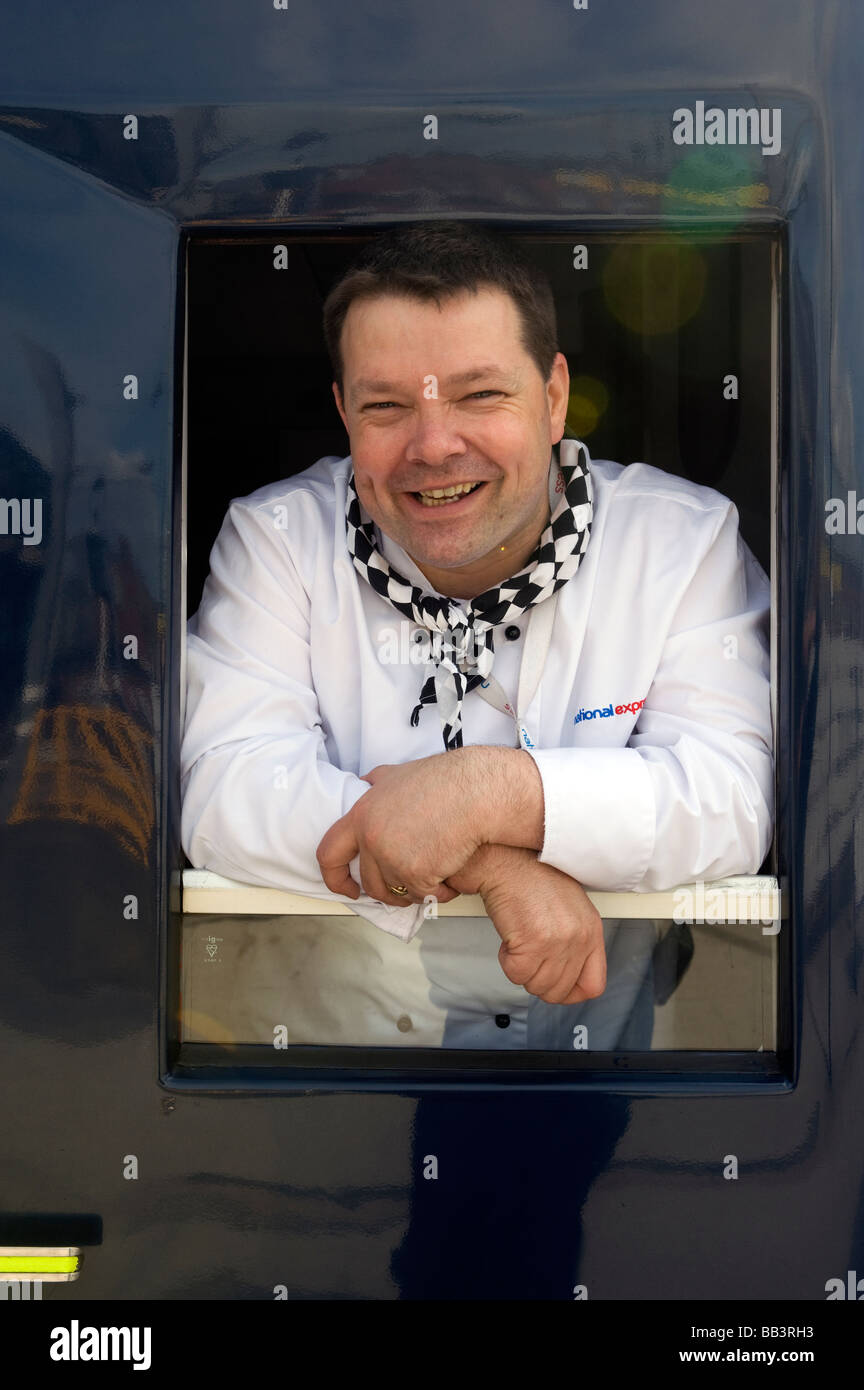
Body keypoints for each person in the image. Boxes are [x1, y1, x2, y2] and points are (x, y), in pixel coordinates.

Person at [180, 221, 773, 1051]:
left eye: (479, 395)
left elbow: (732, 800)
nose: (434, 445)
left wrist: (491, 794)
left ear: (553, 395)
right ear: (343, 411)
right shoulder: (276, 537)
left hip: (599, 1062)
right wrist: (492, 867)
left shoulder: (680, 541)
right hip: (332, 1069)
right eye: (386, 406)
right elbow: (223, 792)